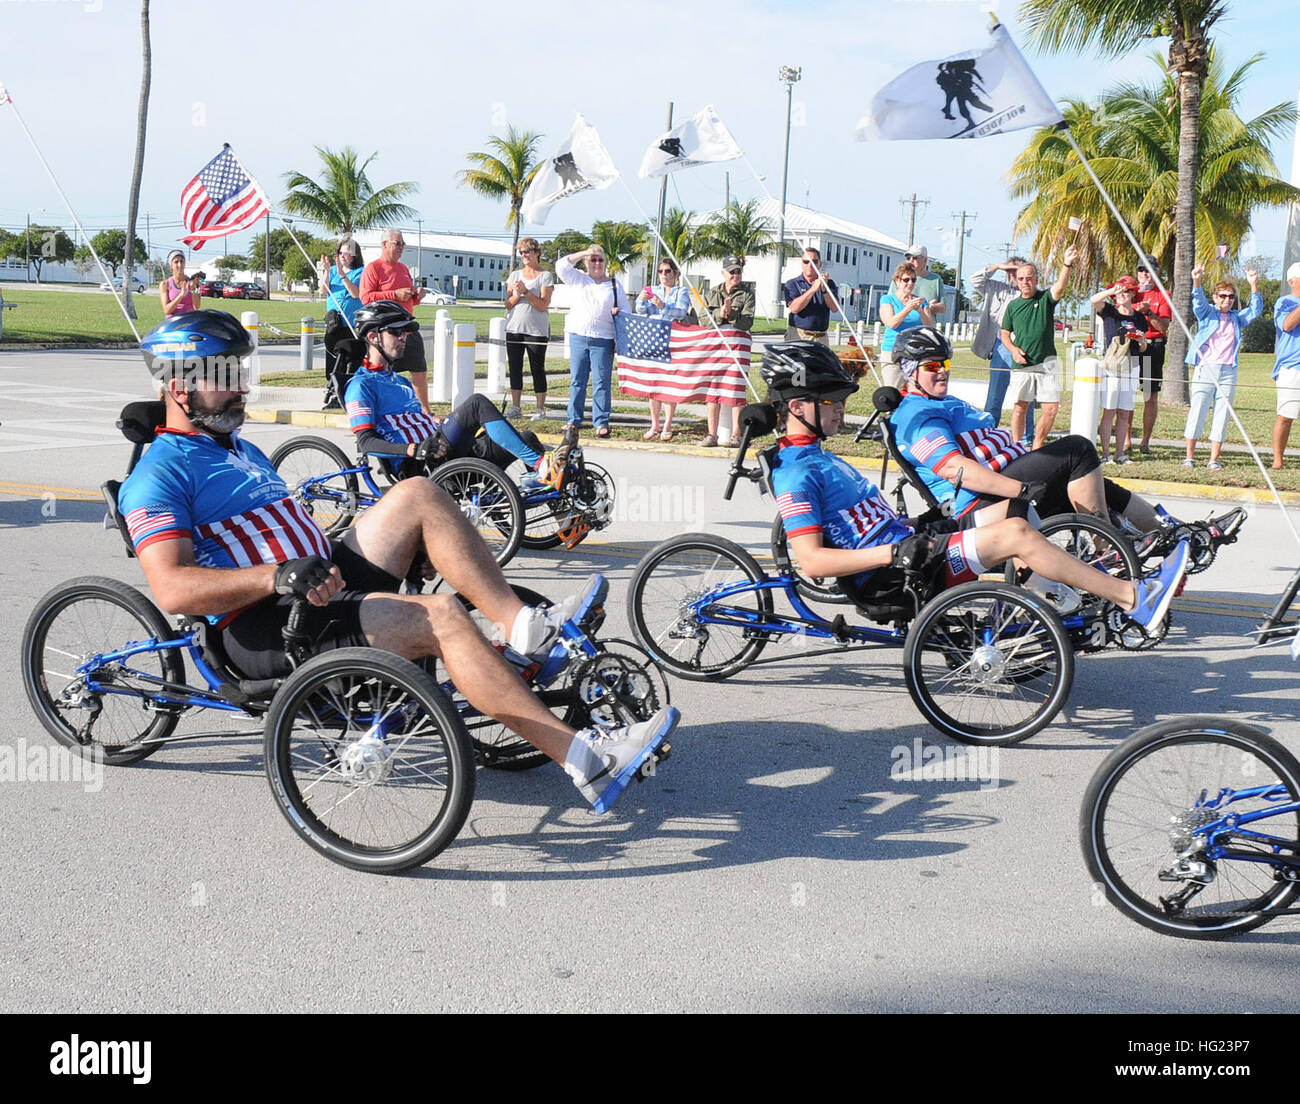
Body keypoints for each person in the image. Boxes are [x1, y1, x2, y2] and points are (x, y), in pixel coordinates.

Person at [120, 309, 676, 813]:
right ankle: (588, 762)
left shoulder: (239, 448)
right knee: (440, 617)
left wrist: (406, 552)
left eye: (242, 372)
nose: (242, 388)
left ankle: (524, 627)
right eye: (226, 378)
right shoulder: (158, 475)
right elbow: (171, 588)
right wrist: (276, 575)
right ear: (180, 385)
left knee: (419, 497)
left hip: (323, 581)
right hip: (267, 622)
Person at [760, 340, 1189, 633]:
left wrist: (909, 528)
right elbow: (812, 562)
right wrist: (894, 550)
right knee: (1016, 532)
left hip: (914, 550)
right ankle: (1133, 599)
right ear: (797, 407)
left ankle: (1059, 597)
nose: (842, 409)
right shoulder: (795, 473)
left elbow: (861, 522)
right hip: (897, 575)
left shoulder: (818, 457)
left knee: (1020, 515)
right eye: (832, 402)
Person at [889, 327, 1245, 548]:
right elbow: (955, 470)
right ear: (909, 372)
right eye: (933, 366)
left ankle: (1178, 535)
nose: (942, 372)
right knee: (1078, 450)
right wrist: (1021, 491)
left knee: (1102, 486)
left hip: (1010, 477)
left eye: (945, 365)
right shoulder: (917, 416)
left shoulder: (943, 402)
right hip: (983, 501)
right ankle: (1111, 548)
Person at [344, 300, 576, 498]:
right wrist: (413, 449)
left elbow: (414, 421)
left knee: (526, 438)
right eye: (396, 331)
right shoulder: (360, 386)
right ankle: (541, 465)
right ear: (373, 337)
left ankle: (562, 515)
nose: (404, 337)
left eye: (405, 331)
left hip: (446, 450)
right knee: (475, 404)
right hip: (423, 464)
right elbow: (366, 442)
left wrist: (437, 422)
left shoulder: (400, 381)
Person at [1183, 264, 1262, 470]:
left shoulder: (1236, 318)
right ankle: (1189, 457)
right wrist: (1196, 280)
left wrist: (1253, 285)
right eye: (1222, 296)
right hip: (1206, 369)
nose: (1227, 300)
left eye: (1230, 297)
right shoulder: (1207, 314)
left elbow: (1255, 311)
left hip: (1228, 371)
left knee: (1222, 414)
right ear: (1215, 297)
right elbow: (1198, 302)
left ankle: (1213, 459)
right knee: (1198, 411)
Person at [1001, 245, 1076, 449]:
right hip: (1023, 366)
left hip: (1047, 365)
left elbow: (1060, 287)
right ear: (1016, 281)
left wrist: (1067, 263)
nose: (1025, 282)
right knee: (1019, 408)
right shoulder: (1013, 306)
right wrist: (1013, 350)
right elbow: (1004, 333)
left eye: (1029, 278)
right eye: (1021, 278)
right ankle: (1017, 449)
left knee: (1051, 409)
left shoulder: (1045, 299)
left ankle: (1037, 446)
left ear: (1036, 279)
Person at [556, 244, 623, 438]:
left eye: (600, 259)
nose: (596, 263)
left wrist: (618, 313)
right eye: (592, 259)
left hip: (603, 339)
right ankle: (573, 420)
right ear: (586, 262)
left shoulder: (614, 285)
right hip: (579, 336)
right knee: (578, 380)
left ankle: (601, 421)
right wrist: (585, 252)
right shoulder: (578, 279)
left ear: (605, 262)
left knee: (601, 382)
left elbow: (625, 310)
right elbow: (561, 266)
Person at [359, 228, 428, 411]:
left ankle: (425, 411)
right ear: (384, 244)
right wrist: (395, 294)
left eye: (403, 244)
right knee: (385, 373)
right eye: (397, 243)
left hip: (408, 327)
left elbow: (410, 299)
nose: (401, 247)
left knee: (419, 370)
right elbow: (365, 298)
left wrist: (417, 296)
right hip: (388, 332)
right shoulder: (373, 268)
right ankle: (386, 407)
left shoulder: (404, 268)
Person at [1088, 275, 1149, 465]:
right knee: (1109, 410)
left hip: (1132, 366)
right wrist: (1111, 290)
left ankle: (1119, 453)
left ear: (1133, 294)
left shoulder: (1139, 318)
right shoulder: (1109, 312)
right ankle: (1106, 454)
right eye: (1119, 291)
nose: (1121, 294)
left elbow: (1144, 348)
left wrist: (1141, 341)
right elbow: (1094, 300)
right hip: (1112, 368)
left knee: (1124, 412)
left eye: (1126, 291)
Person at [972, 256, 1033, 443]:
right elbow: (975, 280)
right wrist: (998, 266)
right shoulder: (996, 288)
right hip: (1001, 348)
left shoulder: (1032, 294)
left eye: (1018, 272)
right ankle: (988, 434)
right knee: (995, 395)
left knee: (1024, 396)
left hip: (1024, 348)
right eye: (1011, 272)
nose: (1015, 276)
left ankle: (1026, 438)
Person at [696, 255, 755, 447]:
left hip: (737, 348)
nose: (735, 275)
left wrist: (731, 315)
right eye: (732, 272)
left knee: (736, 391)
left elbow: (747, 322)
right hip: (715, 348)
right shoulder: (712, 293)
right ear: (723, 273)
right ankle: (711, 435)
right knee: (713, 390)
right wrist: (718, 314)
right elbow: (704, 320)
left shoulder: (747, 295)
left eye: (738, 272)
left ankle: (736, 436)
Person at [635, 256, 691, 441]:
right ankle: (654, 424)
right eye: (660, 271)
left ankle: (667, 424)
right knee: (653, 383)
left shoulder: (681, 291)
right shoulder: (652, 289)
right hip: (652, 339)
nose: (664, 275)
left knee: (668, 383)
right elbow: (640, 310)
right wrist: (642, 300)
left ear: (675, 273)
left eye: (667, 271)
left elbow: (681, 312)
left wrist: (664, 306)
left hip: (673, 339)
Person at [504, 236, 554, 423]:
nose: (524, 255)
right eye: (521, 252)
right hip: (514, 328)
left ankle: (539, 408)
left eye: (527, 252)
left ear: (537, 253)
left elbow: (543, 305)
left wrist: (526, 292)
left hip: (536, 330)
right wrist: (517, 294)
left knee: (537, 368)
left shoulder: (545, 276)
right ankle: (516, 406)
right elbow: (508, 304)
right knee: (515, 368)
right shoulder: (515, 275)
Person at [320, 237, 366, 412]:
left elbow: (356, 294)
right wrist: (326, 271)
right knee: (332, 358)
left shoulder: (361, 272)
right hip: (335, 322)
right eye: (341, 253)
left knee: (351, 360)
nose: (343, 256)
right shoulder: (331, 271)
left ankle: (347, 393)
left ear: (355, 255)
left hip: (351, 324)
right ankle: (332, 390)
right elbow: (323, 290)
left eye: (347, 253)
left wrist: (343, 275)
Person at [1133, 255, 1172, 454]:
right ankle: (1126, 440)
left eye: (1148, 269)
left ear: (1156, 271)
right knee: (1127, 395)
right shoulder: (1130, 292)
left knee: (1149, 396)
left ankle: (1145, 442)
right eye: (1141, 269)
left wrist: (1148, 313)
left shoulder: (1163, 294)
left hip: (1152, 348)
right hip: (1131, 347)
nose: (1144, 274)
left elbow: (1163, 327)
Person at [877, 261, 934, 390]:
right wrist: (908, 308)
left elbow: (930, 327)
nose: (910, 283)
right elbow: (891, 323)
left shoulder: (920, 301)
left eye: (913, 280)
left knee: (915, 391)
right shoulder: (887, 300)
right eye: (906, 279)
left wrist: (920, 310)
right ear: (897, 281)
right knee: (894, 391)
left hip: (916, 352)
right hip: (893, 351)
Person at [1271, 262, 1300, 469]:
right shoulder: (1284, 302)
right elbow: (1287, 325)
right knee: (1285, 416)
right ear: (1292, 281)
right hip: (1291, 367)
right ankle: (1278, 460)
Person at [783, 247, 839, 343]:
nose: (810, 265)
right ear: (802, 264)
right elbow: (794, 308)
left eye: (814, 261)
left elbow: (835, 308)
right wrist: (813, 289)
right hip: (799, 335)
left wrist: (824, 289)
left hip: (821, 337)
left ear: (820, 264)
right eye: (806, 262)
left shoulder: (829, 284)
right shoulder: (792, 284)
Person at [891, 243, 945, 320]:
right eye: (908, 258)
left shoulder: (936, 279)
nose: (911, 260)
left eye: (915, 258)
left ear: (925, 260)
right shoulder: (899, 278)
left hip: (925, 327)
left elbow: (943, 307)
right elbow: (890, 303)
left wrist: (930, 307)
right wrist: (910, 305)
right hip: (902, 326)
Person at [160, 249, 197, 317]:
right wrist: (181, 295)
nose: (179, 265)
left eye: (181, 261)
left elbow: (197, 306)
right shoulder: (165, 284)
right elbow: (166, 310)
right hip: (173, 323)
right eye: (176, 262)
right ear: (171, 265)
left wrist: (194, 289)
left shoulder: (192, 282)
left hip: (189, 322)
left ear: (185, 263)